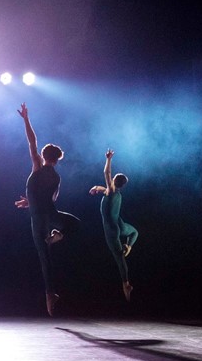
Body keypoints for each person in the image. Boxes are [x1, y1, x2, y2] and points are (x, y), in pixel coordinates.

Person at [14, 103, 80, 316]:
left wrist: (25, 119)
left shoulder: (37, 166)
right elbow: (52, 199)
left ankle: (50, 296)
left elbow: (31, 141)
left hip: (38, 219)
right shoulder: (57, 176)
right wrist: (32, 201)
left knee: (45, 258)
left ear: (43, 155)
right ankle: (57, 234)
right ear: (57, 158)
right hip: (51, 215)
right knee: (74, 224)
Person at [88, 149, 139, 303]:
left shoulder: (110, 190)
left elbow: (106, 172)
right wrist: (97, 188)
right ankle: (128, 246)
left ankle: (126, 284)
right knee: (135, 232)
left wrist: (109, 159)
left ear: (114, 180)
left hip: (111, 229)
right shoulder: (116, 193)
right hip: (120, 224)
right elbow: (107, 189)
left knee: (119, 258)